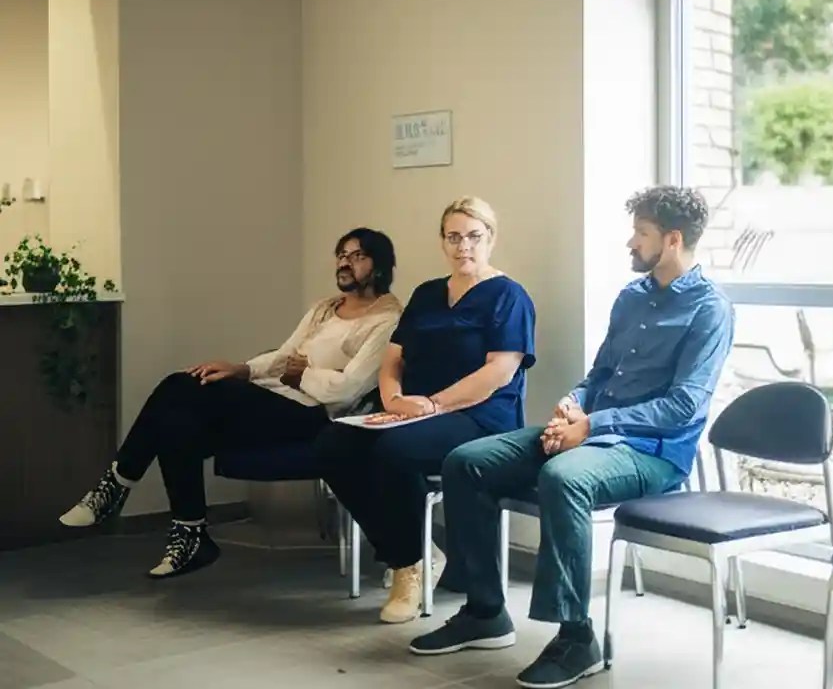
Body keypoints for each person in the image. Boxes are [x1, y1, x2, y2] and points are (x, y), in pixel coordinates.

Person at [409, 186, 733, 689]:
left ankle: (577, 638)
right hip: (589, 432)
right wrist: (574, 402)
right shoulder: (632, 297)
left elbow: (684, 406)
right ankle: (485, 612)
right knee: (466, 461)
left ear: (671, 240)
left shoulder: (710, 310)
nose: (631, 242)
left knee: (563, 478)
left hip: (652, 453)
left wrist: (592, 426)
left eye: (640, 234)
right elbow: (600, 373)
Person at [59, 228, 403, 579]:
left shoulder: (386, 321)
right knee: (180, 409)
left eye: (357, 256)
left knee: (181, 392)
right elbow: (283, 356)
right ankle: (188, 537)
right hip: (278, 398)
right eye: (342, 255)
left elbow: (348, 388)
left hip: (316, 416)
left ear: (378, 267)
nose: (345, 263)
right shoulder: (324, 309)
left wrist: (304, 376)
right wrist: (241, 369)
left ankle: (121, 488)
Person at [314, 196, 536, 624]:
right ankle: (413, 555)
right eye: (453, 237)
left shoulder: (509, 296)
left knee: (393, 451)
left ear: (491, 238)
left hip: (480, 419)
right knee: (331, 443)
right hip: (413, 413)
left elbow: (499, 372)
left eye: (474, 236)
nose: (463, 246)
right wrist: (394, 400)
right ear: (442, 242)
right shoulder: (428, 294)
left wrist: (432, 405)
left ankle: (406, 567)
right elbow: (392, 359)